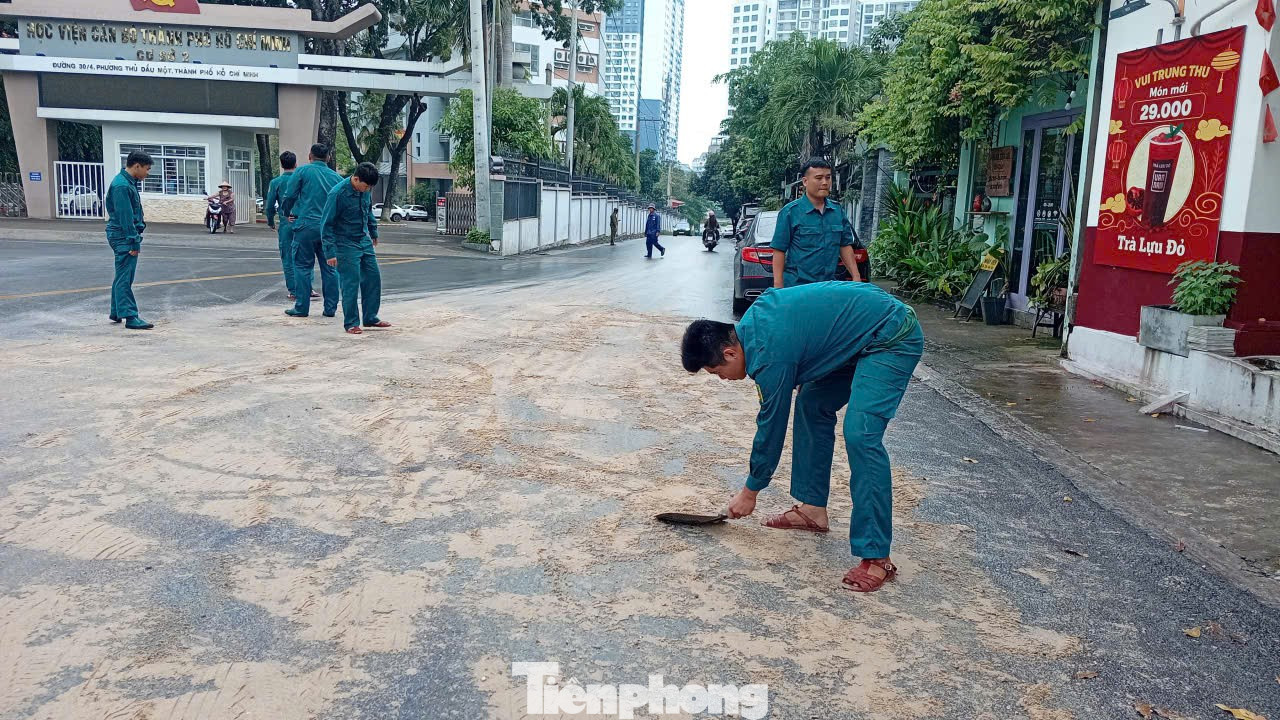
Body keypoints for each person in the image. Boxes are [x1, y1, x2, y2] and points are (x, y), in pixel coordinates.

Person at [680, 281, 924, 593]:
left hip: (890, 336)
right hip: (857, 335)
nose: (722, 380)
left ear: (730, 352)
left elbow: (771, 427)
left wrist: (749, 492)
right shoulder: (753, 331)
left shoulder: (769, 354)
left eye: (717, 373)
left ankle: (877, 558)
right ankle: (812, 510)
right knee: (811, 403)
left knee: (861, 434)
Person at [322, 162, 390, 335]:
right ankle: (351, 322)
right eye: (365, 186)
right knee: (350, 283)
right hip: (344, 242)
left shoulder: (365, 190)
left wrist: (373, 230)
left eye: (370, 188)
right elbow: (326, 224)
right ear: (356, 178)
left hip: (363, 238)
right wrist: (330, 252)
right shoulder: (337, 194)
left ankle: (370, 317)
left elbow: (367, 211)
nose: (367, 190)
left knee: (373, 278)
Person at [771, 158, 861, 287]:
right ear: (805, 181)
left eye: (828, 178)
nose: (825, 182)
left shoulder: (837, 211)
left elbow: (844, 246)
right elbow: (779, 251)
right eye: (819, 178)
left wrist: (856, 277)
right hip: (797, 286)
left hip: (828, 286)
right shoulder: (790, 212)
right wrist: (778, 288)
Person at [279, 143, 344, 318]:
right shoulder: (337, 178)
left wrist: (287, 213)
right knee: (330, 268)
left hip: (305, 226)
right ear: (328, 158)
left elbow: (289, 195)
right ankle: (330, 309)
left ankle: (301, 308)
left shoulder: (302, 172)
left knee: (302, 266)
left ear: (310, 156)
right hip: (328, 230)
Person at [106, 150, 154, 330]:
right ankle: (130, 316)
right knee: (125, 277)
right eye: (147, 169)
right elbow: (125, 217)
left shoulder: (127, 182)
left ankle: (116, 311)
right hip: (123, 236)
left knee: (121, 275)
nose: (147, 173)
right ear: (137, 166)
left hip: (122, 234)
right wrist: (133, 242)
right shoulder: (122, 186)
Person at [265, 151, 316, 302]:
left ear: (281, 164)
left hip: (286, 221)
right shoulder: (303, 178)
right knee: (306, 255)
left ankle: (294, 290)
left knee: (288, 257)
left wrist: (270, 221)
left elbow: (269, 205)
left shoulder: (276, 182)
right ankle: (309, 288)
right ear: (295, 164)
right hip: (303, 220)